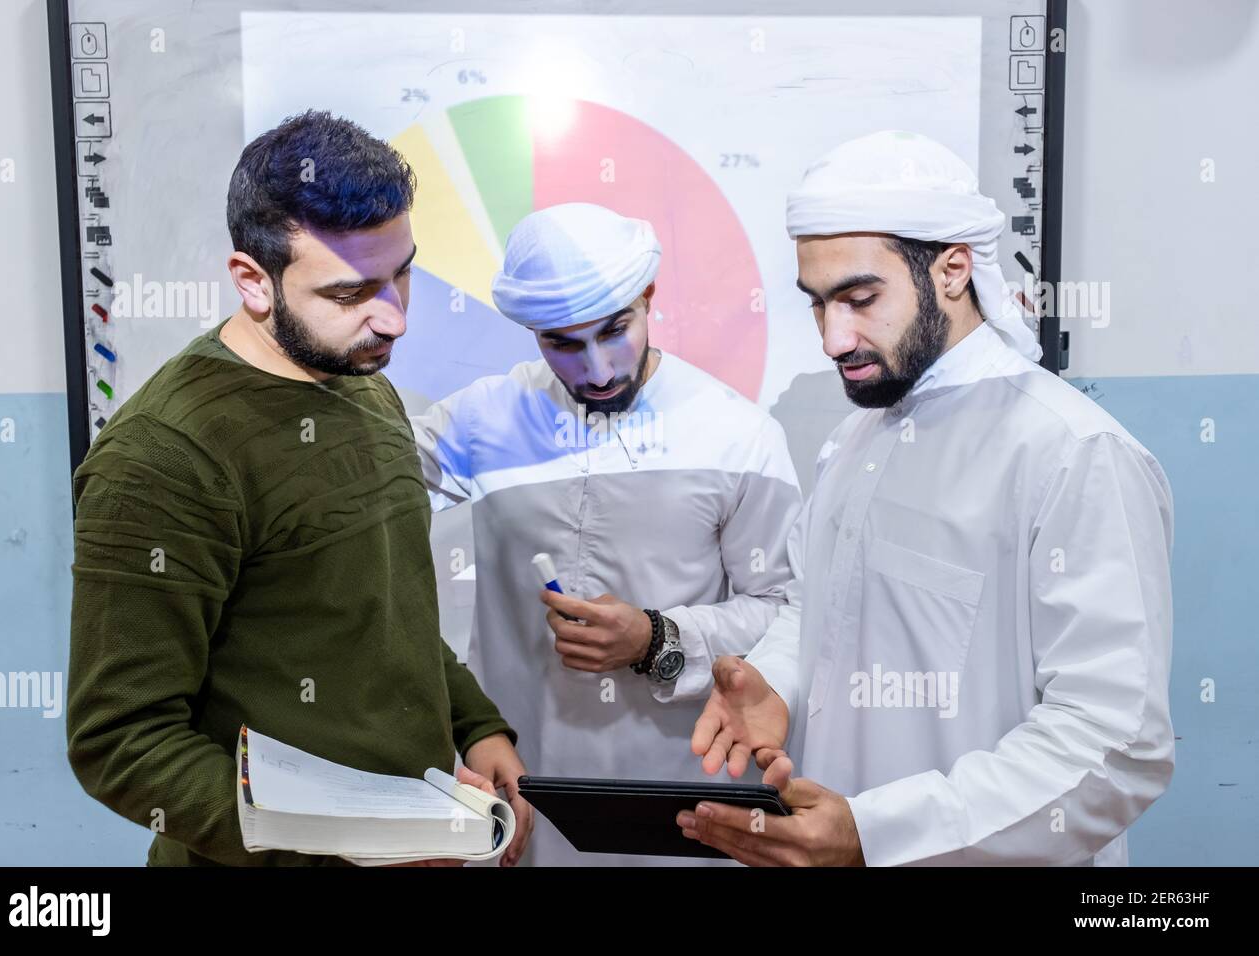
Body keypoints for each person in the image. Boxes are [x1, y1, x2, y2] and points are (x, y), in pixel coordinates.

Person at [681, 130, 1175, 866]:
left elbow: (1115, 741)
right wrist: (778, 684)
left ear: (952, 270)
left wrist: (876, 834)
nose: (832, 338)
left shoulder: (1071, 454)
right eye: (817, 305)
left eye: (858, 299)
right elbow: (817, 608)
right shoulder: (853, 444)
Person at [66, 110, 529, 866]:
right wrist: (360, 841)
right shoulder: (164, 460)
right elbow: (121, 742)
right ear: (253, 280)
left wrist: (474, 724)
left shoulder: (359, 377)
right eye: (351, 293)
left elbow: (383, 610)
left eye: (401, 272)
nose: (394, 318)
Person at [411, 202, 802, 865]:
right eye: (562, 343)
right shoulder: (483, 419)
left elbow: (787, 610)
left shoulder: (739, 435)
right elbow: (360, 483)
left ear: (648, 297)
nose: (597, 370)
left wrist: (656, 638)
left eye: (615, 330)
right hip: (522, 799)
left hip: (684, 802)